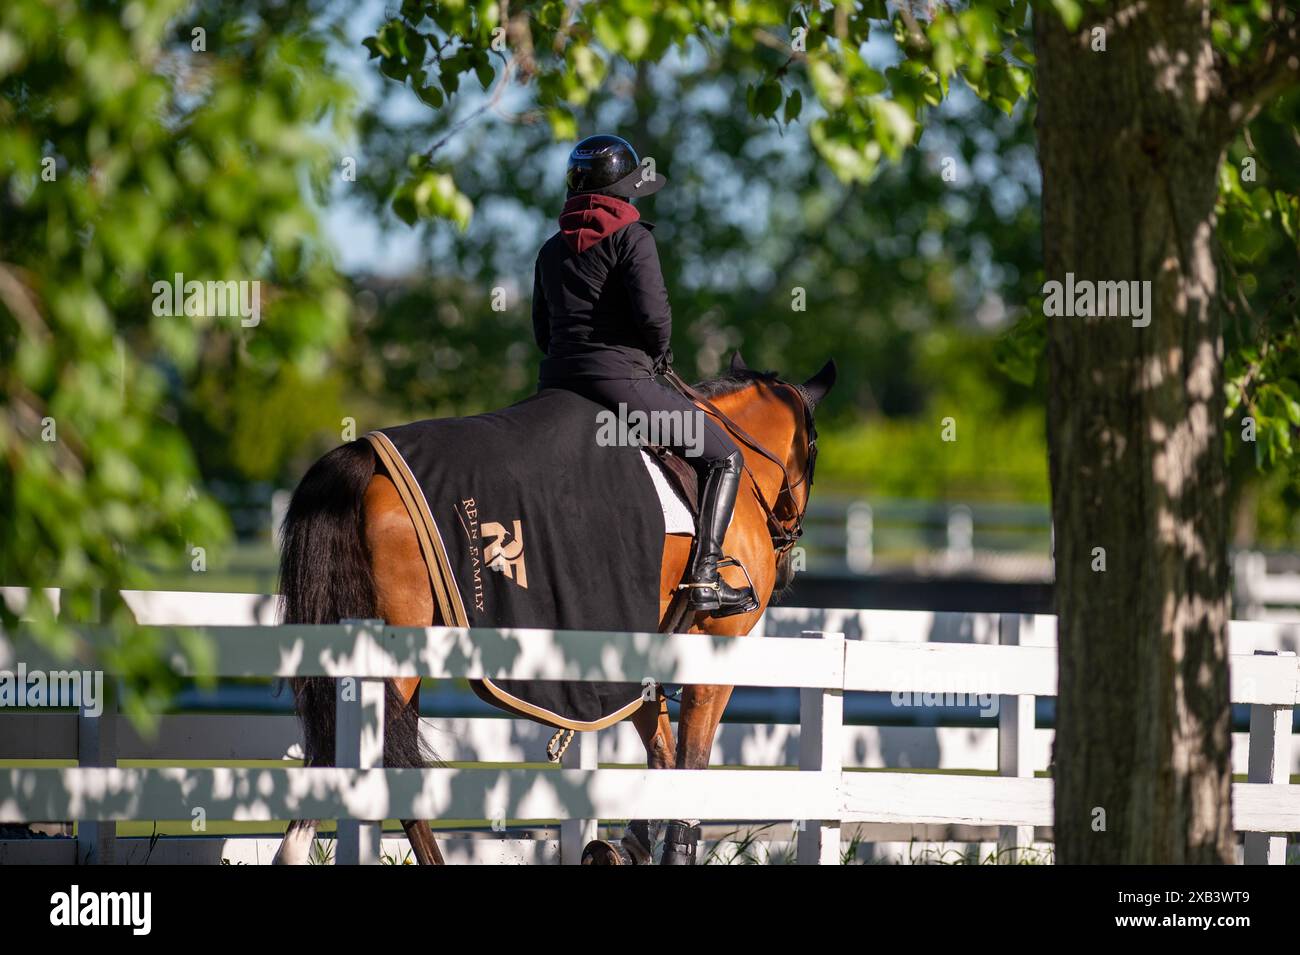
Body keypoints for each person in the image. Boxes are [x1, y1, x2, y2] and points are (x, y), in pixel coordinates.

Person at [531, 134, 757, 617]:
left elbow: (541, 332)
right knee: (725, 456)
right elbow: (655, 318)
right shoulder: (633, 237)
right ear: (619, 193)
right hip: (621, 386)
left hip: (554, 386)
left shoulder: (550, 251)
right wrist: (655, 357)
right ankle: (705, 577)